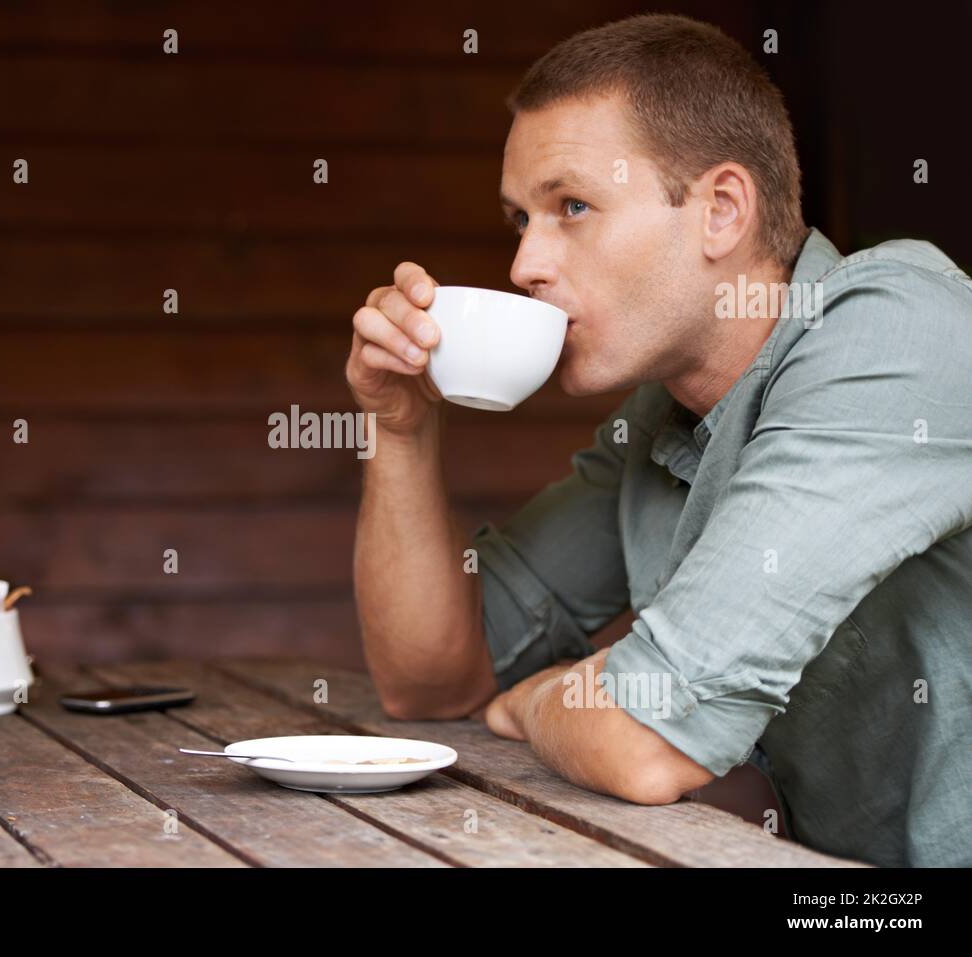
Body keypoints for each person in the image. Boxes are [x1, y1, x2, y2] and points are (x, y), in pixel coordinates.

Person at [345, 13, 972, 867]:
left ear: (720, 211)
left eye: (572, 206)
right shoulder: (660, 422)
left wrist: (531, 705)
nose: (525, 262)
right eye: (520, 220)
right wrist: (401, 427)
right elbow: (429, 682)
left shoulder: (896, 331)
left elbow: (644, 739)